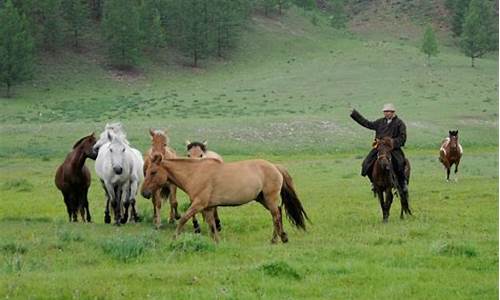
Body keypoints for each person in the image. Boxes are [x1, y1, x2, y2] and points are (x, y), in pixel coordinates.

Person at [350, 103, 408, 193]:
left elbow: (402, 138)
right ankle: (374, 182)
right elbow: (367, 124)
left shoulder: (399, 123)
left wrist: (392, 142)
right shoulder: (380, 122)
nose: (387, 113)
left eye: (389, 111)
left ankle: (402, 183)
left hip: (393, 149)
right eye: (385, 111)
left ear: (393, 112)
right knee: (366, 164)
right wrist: (355, 114)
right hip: (379, 148)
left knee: (400, 164)